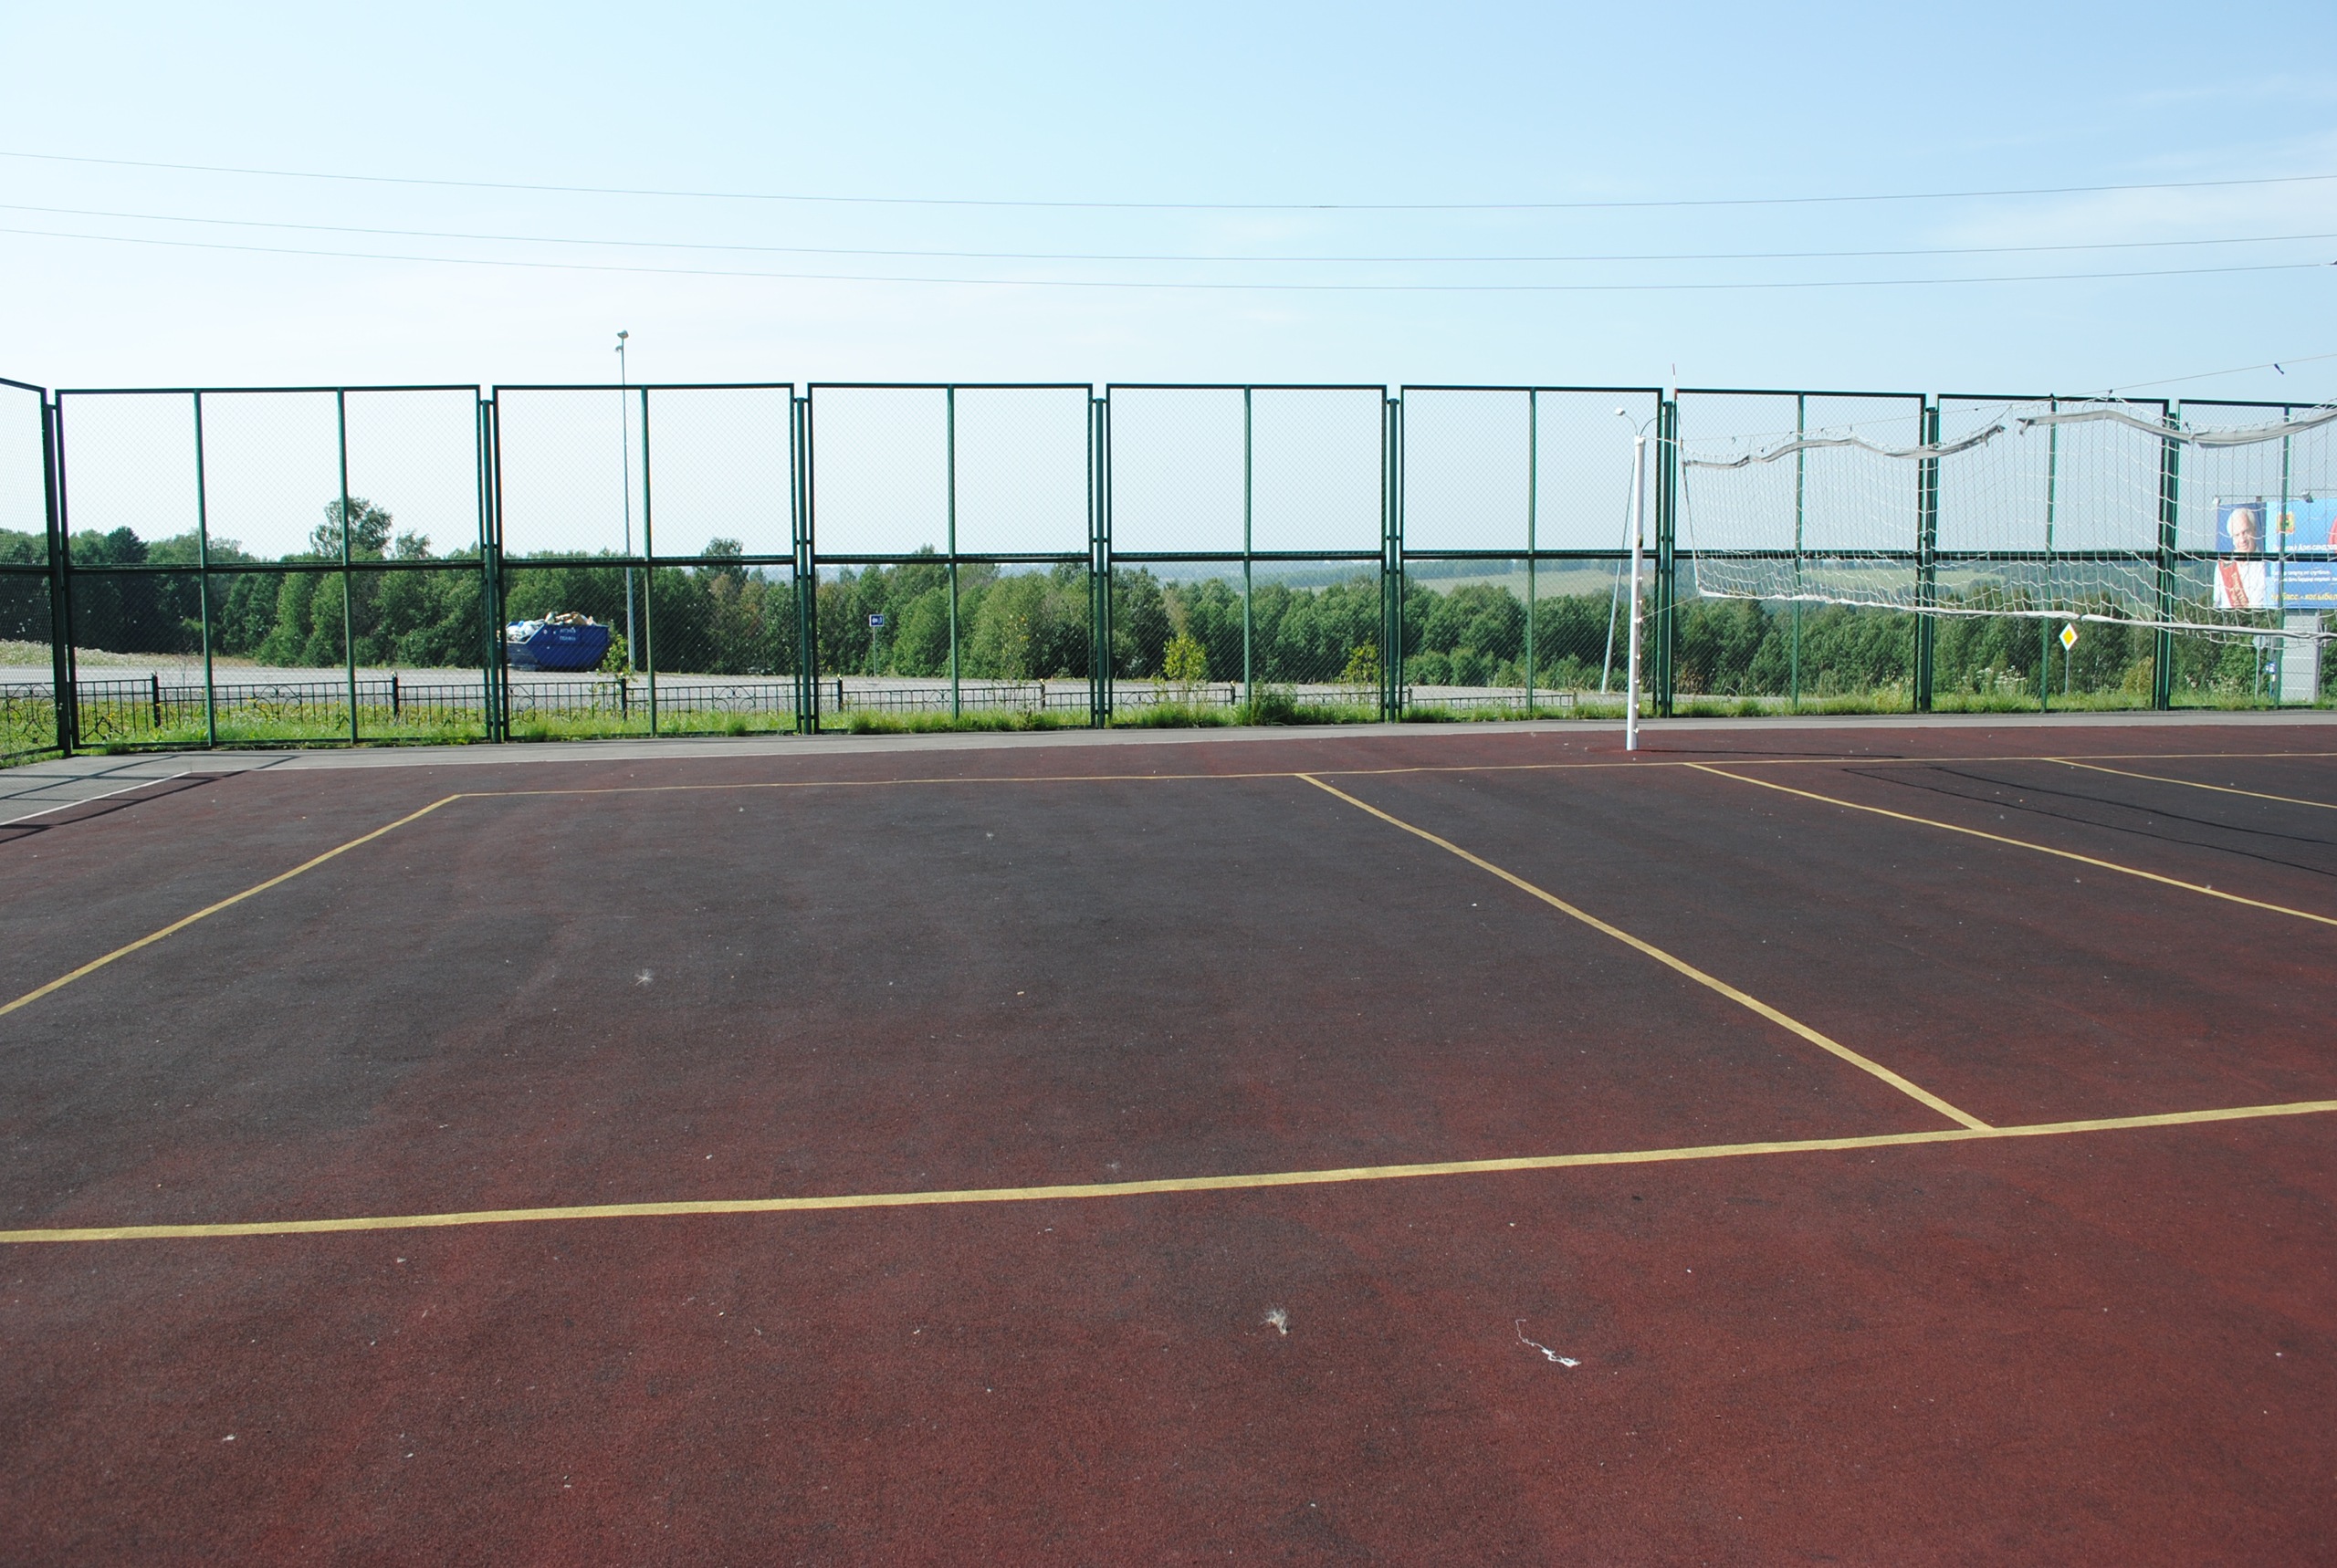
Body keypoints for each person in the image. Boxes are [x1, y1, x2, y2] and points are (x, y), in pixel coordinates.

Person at [2217, 506, 2269, 610]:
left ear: (2254, 530)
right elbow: (2217, 601)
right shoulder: (2223, 564)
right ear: (2232, 539)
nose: (2242, 540)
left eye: (2245, 532)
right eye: (2237, 535)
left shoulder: (2266, 565)